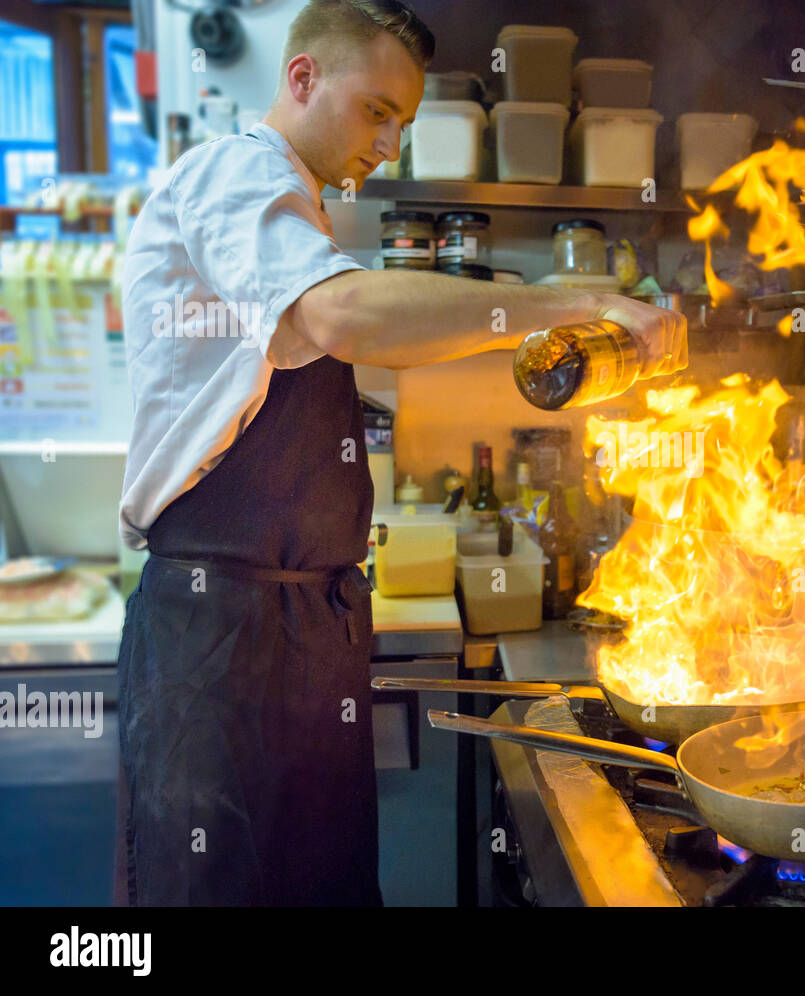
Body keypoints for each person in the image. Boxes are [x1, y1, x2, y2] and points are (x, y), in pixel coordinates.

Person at [114, 0, 685, 906]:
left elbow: (384, 333)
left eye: (404, 124)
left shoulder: (300, 214)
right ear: (301, 77)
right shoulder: (235, 173)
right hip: (219, 634)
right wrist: (570, 302)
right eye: (376, 110)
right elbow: (341, 316)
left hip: (306, 628)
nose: (389, 142)